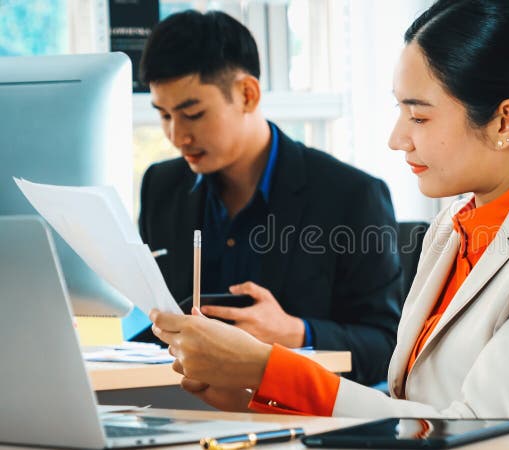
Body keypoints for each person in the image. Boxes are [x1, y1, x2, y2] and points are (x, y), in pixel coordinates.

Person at [150, 0, 509, 423]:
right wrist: (254, 392)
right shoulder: (454, 225)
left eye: (419, 115)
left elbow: (478, 429)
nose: (396, 138)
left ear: (505, 121)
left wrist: (268, 369)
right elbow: (406, 406)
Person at [135, 10, 403, 386]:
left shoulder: (351, 195)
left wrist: (297, 333)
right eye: (164, 116)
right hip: (181, 404)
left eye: (192, 114)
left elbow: (389, 347)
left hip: (296, 417)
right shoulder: (161, 187)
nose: (177, 136)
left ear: (247, 95)